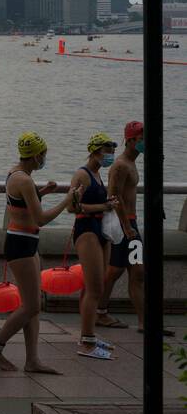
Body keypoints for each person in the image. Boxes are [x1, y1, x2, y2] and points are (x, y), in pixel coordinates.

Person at [0, 132, 68, 373]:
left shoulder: (16, 174)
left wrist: (44, 192)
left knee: (32, 304)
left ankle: (32, 360)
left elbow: (22, 204)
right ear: (37, 155)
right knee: (32, 306)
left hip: (26, 241)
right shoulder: (24, 180)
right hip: (21, 243)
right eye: (44, 155)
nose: (45, 159)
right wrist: (67, 200)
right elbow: (40, 218)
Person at [99, 121, 157, 334]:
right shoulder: (121, 165)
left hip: (130, 223)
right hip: (123, 224)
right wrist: (125, 225)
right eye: (142, 140)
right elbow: (113, 196)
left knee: (137, 271)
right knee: (116, 270)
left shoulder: (132, 163)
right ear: (130, 140)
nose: (145, 144)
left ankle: (143, 322)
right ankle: (100, 312)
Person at [69, 132, 121, 359]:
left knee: (92, 286)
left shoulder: (99, 175)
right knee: (96, 289)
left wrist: (106, 205)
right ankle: (87, 344)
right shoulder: (82, 174)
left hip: (100, 230)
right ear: (96, 151)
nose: (110, 155)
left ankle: (87, 335)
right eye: (108, 150)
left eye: (112, 150)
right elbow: (73, 207)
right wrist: (103, 206)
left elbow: (95, 203)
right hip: (86, 230)